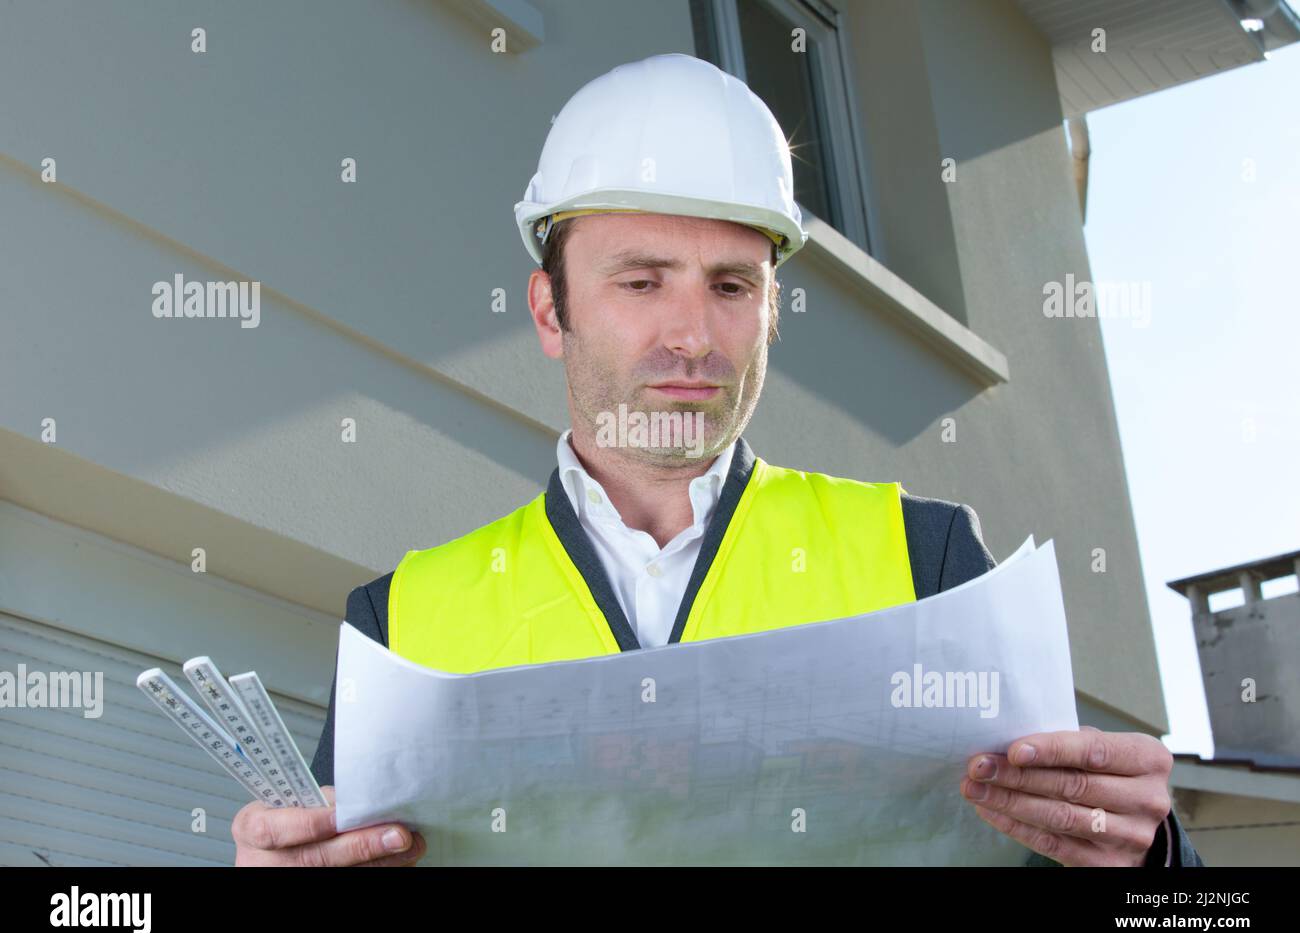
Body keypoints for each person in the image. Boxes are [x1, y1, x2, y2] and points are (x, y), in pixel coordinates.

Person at [232, 53, 1202, 867]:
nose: (693, 334)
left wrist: (1151, 856)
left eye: (731, 284)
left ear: (771, 313)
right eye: (642, 280)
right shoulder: (401, 626)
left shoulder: (925, 563)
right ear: (547, 311)